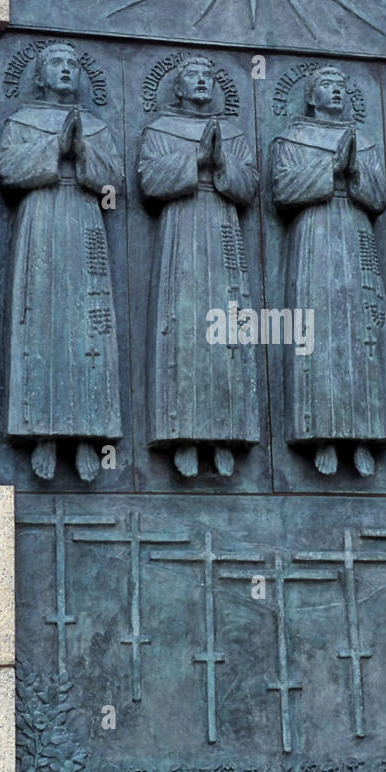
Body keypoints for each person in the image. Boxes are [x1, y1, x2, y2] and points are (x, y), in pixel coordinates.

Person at [0, 41, 122, 482]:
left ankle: (89, 434)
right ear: (40, 75)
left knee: (89, 326)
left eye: (73, 63)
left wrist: (83, 153)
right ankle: (42, 434)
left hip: (85, 220)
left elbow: (114, 183)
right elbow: (8, 171)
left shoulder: (96, 125)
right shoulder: (21, 121)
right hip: (41, 222)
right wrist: (54, 151)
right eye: (57, 63)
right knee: (43, 323)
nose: (67, 69)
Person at [272, 64, 386, 476]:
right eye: (327, 85)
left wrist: (355, 171)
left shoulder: (363, 141)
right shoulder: (293, 138)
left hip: (355, 232)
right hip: (314, 239)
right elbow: (283, 189)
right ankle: (320, 432)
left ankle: (363, 434)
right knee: (319, 334)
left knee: (362, 333)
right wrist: (329, 170)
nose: (336, 91)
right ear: (311, 96)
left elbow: (379, 197)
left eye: (342, 85)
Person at [138, 55, 259, 477]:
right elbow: (150, 181)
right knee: (185, 329)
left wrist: (221, 163)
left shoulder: (233, 133)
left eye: (209, 76)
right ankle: (183, 433)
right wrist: (195, 162)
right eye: (194, 75)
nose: (203, 81)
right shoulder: (160, 131)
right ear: (178, 88)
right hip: (182, 233)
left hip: (223, 229)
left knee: (227, 331)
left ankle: (226, 432)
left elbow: (250, 186)